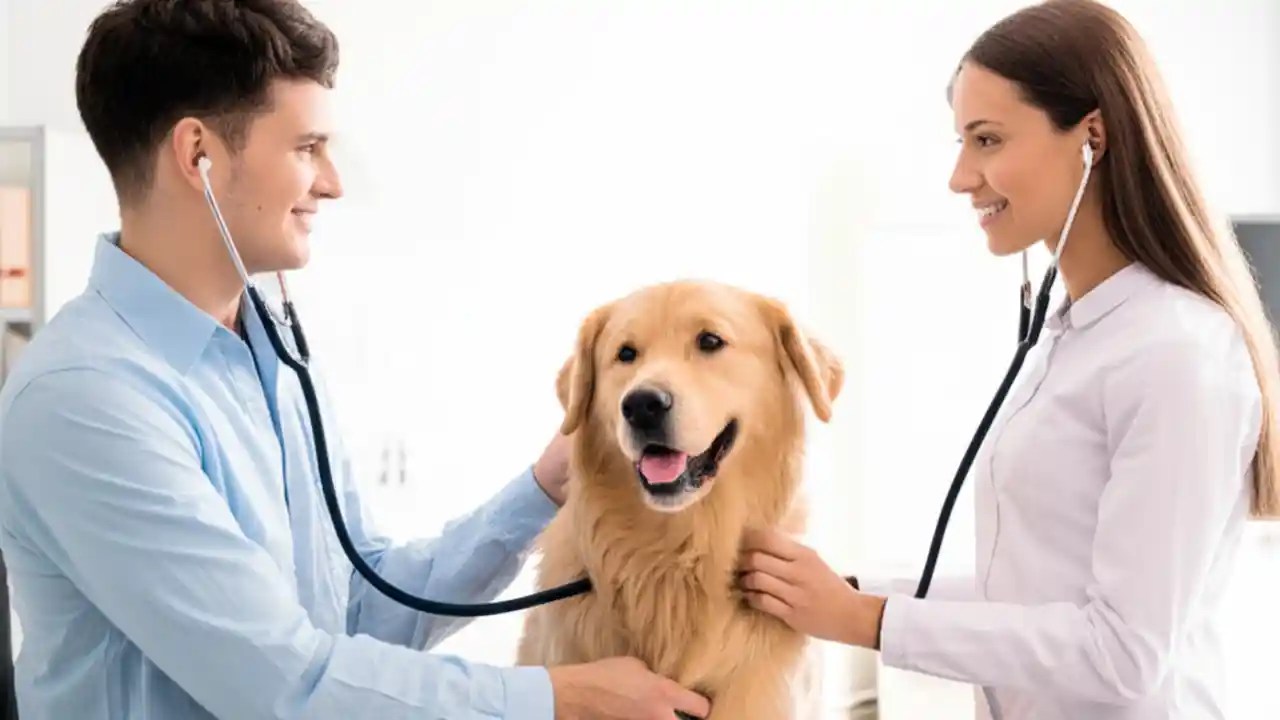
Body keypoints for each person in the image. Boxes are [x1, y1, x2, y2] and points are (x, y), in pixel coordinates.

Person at [0, 2, 712, 719]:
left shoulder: (269, 357)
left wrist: (545, 487)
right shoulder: (84, 399)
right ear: (198, 156)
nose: (332, 182)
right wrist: (555, 700)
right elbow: (284, 684)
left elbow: (364, 607)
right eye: (308, 147)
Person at [737, 1, 1280, 719]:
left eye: (987, 140)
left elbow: (1124, 654)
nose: (962, 177)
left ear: (1092, 137)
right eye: (963, 143)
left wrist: (863, 620)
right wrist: (836, 589)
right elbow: (1026, 591)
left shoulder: (1176, 351)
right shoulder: (1077, 333)